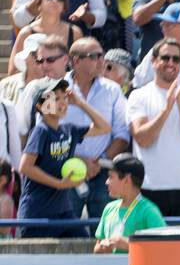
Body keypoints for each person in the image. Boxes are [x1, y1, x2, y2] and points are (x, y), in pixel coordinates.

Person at [17, 78, 111, 238]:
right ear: (40, 106)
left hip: (63, 211)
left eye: (64, 97)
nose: (62, 103)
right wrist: (59, 184)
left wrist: (80, 103)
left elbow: (104, 127)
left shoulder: (70, 130)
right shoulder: (41, 131)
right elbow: (25, 167)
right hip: (37, 213)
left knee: (83, 248)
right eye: (54, 99)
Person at [126, 37, 180, 218]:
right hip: (149, 189)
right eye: (165, 58)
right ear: (154, 61)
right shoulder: (138, 95)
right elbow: (142, 139)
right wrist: (167, 107)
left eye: (176, 59)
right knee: (151, 247)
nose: (170, 63)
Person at [63, 36, 130, 220]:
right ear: (76, 61)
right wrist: (77, 161)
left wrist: (97, 162)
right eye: (95, 56)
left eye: (102, 55)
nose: (102, 60)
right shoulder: (53, 89)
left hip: (103, 174)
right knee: (64, 234)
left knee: (105, 237)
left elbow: (122, 134)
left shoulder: (114, 90)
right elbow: (45, 132)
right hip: (65, 172)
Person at [91, 153, 167, 252]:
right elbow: (96, 248)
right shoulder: (109, 208)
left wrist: (128, 245)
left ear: (126, 180)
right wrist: (101, 248)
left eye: (111, 177)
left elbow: (164, 247)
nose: (107, 182)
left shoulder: (149, 211)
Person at [8, 0, 82, 75]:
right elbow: (12, 71)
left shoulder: (75, 33)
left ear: (64, 6)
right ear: (39, 2)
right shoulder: (26, 33)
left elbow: (81, 68)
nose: (55, 0)